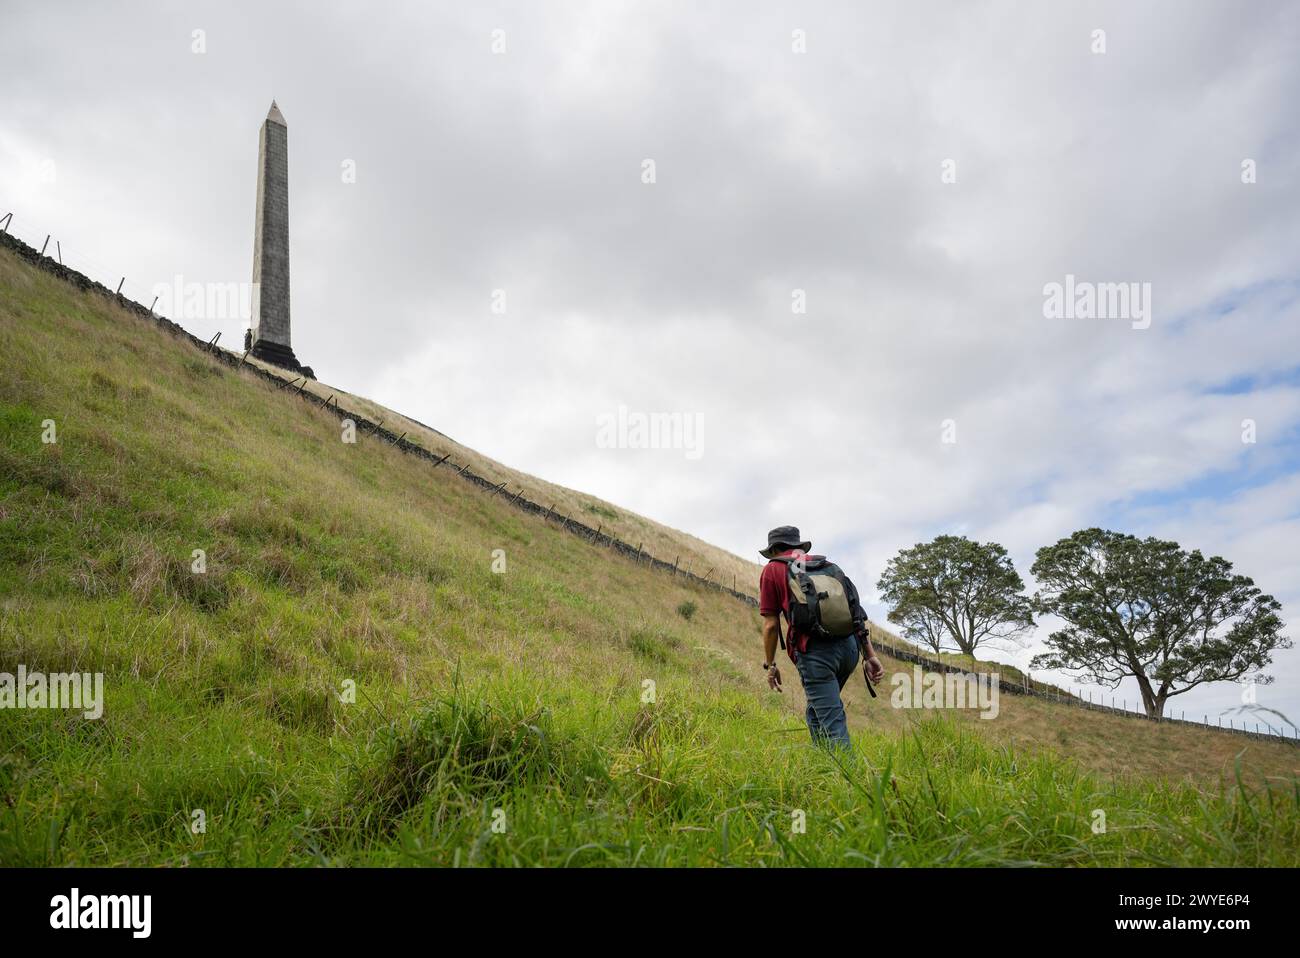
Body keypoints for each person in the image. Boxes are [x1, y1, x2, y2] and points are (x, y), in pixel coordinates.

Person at [758, 525, 884, 747]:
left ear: (775, 549)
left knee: (833, 725)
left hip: (816, 654)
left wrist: (770, 666)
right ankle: (823, 767)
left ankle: (851, 777)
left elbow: (770, 625)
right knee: (817, 714)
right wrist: (870, 655)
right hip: (850, 650)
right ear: (798, 546)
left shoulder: (773, 569)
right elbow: (855, 613)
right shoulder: (829, 567)